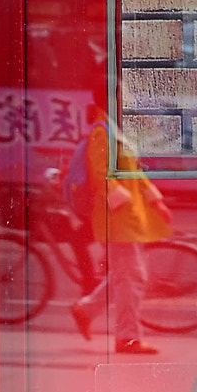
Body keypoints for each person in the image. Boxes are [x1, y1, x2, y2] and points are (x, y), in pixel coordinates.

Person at [71, 99, 172, 354]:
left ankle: (86, 310)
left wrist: (155, 200)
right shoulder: (101, 133)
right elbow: (99, 174)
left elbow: (134, 173)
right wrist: (122, 203)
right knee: (132, 276)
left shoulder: (117, 133)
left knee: (125, 274)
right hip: (115, 219)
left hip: (127, 218)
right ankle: (127, 338)